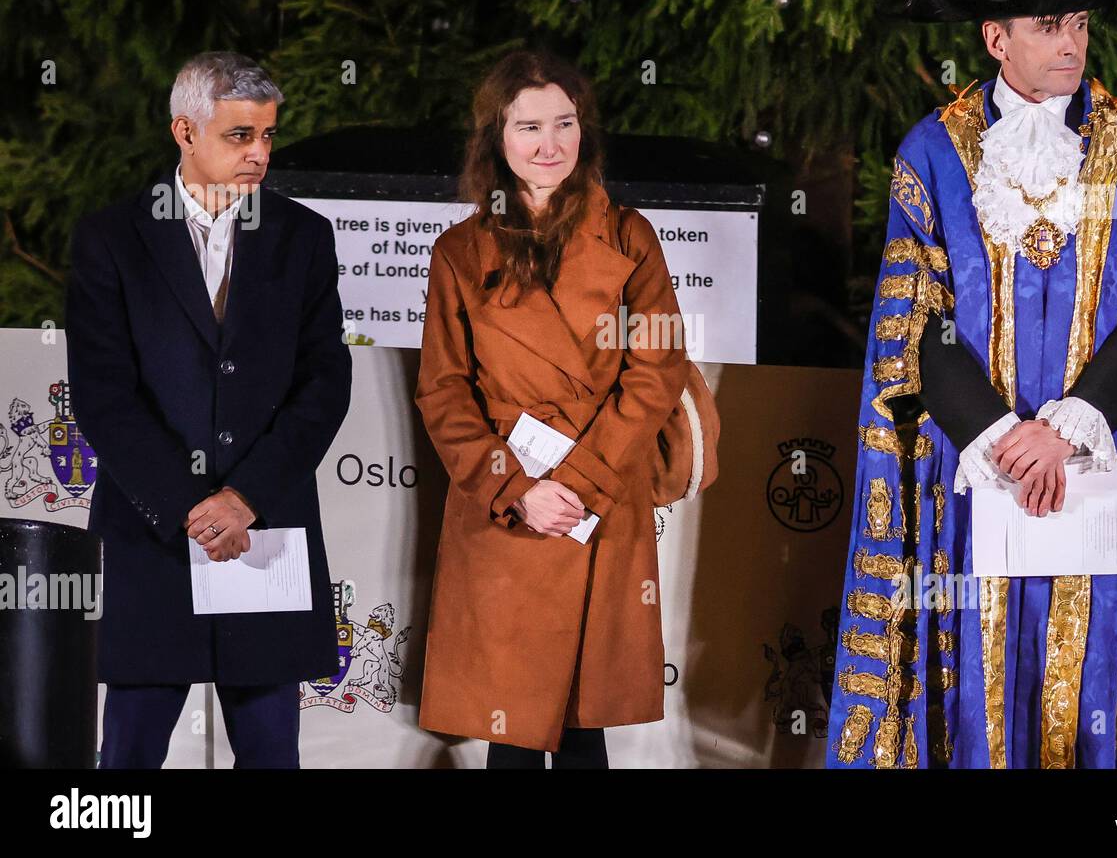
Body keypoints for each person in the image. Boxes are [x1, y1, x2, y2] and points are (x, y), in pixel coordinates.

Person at [825, 0, 1117, 769]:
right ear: (995, 38)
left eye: (1079, 25)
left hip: (1095, 457)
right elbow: (915, 317)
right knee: (978, 670)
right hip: (976, 466)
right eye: (1048, 28)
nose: (1070, 45)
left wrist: (1070, 421)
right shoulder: (932, 152)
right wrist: (1003, 434)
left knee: (1098, 677)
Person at [65, 51, 352, 768]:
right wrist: (192, 506)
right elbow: (103, 395)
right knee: (126, 757)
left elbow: (325, 383)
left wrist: (245, 498)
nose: (259, 154)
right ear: (184, 132)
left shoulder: (305, 237)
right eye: (239, 136)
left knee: (270, 754)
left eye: (267, 136)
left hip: (265, 535)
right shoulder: (109, 238)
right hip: (153, 538)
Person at [414, 50, 689, 768]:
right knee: (512, 723)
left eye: (563, 123)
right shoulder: (458, 253)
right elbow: (444, 392)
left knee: (579, 723)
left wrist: (581, 482)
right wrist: (518, 490)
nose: (549, 144)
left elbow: (656, 369)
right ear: (496, 139)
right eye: (528, 126)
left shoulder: (631, 236)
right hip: (508, 505)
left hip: (598, 498)